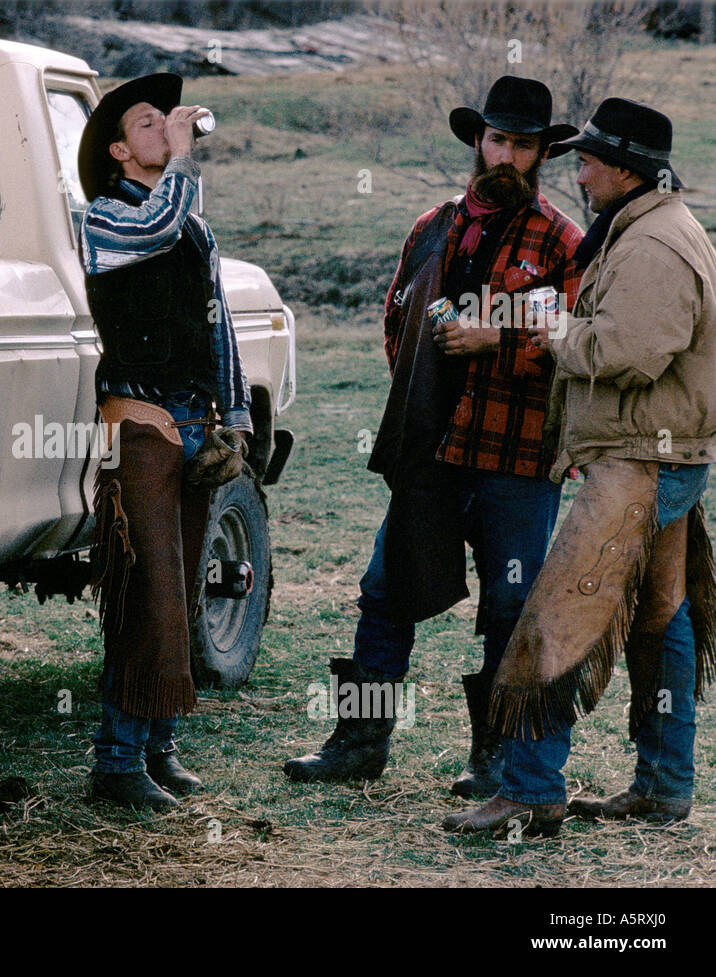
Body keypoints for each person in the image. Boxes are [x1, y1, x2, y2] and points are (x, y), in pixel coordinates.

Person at [284, 77, 583, 797]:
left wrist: (496, 342)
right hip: (432, 454)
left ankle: (496, 761)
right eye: (499, 139)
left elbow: (576, 343)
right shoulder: (431, 227)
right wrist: (425, 379)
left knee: (510, 610)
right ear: (478, 142)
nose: (509, 155)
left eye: (524, 144)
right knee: (385, 591)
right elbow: (396, 322)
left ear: (542, 154)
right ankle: (360, 742)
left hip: (516, 457)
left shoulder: (564, 240)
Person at [444, 98, 716, 836]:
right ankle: (663, 787)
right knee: (662, 621)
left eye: (591, 161)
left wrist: (556, 327)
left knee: (556, 620)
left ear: (626, 169)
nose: (582, 174)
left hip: (637, 464)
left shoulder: (653, 244)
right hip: (659, 456)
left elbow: (629, 352)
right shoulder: (649, 227)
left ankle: (532, 791)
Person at [76, 73, 252, 810]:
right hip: (137, 421)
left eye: (167, 122)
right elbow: (152, 230)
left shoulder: (193, 224)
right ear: (119, 149)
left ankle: (156, 747)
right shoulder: (103, 217)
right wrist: (184, 161)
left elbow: (216, 316)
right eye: (149, 123)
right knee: (142, 590)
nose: (166, 128)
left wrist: (235, 413)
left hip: (187, 418)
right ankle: (116, 759)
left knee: (176, 586)